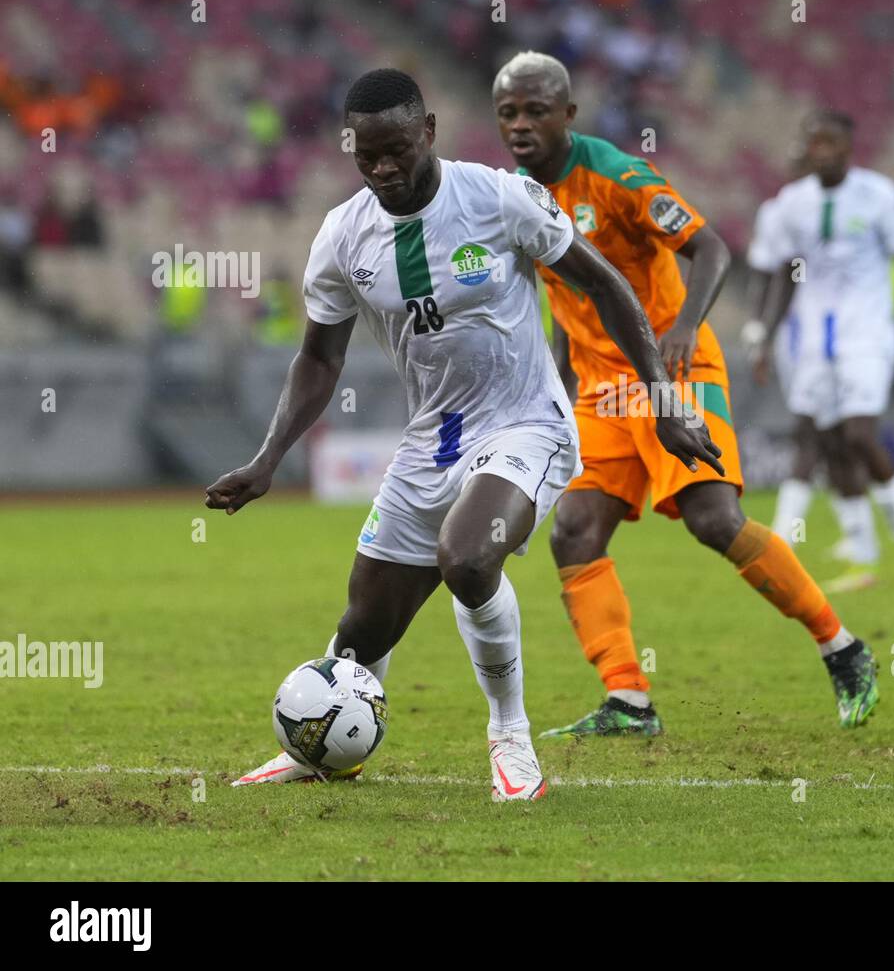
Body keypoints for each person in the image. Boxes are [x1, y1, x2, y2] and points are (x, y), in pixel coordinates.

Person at [206, 69, 719, 799]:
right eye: (366, 155)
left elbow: (606, 282)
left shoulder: (499, 198)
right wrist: (267, 458)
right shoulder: (342, 235)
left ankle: (509, 733)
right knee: (363, 628)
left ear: (430, 132)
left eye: (396, 149)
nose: (383, 168)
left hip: (525, 424)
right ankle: (322, 745)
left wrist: (662, 397)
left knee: (469, 559)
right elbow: (320, 357)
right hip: (431, 443)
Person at [492, 52, 880, 736]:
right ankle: (629, 699)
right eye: (508, 113)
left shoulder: (615, 175)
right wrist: (556, 383)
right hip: (601, 386)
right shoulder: (517, 195)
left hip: (674, 369)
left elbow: (712, 248)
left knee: (713, 520)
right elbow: (564, 296)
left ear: (568, 115)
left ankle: (841, 645)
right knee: (575, 533)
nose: (520, 125)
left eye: (535, 111)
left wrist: (683, 328)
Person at [751, 110, 894, 593]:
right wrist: (765, 336)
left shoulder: (879, 196)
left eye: (831, 143)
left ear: (848, 147)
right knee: (823, 441)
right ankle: (862, 557)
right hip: (814, 341)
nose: (822, 151)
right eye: (814, 142)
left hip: (867, 333)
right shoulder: (791, 204)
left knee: (860, 436)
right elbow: (783, 273)